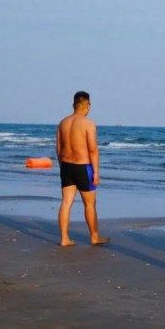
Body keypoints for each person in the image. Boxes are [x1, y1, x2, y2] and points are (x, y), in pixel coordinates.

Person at [56, 91, 109, 247]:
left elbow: (59, 148)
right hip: (83, 167)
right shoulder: (88, 124)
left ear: (74, 105)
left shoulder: (63, 123)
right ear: (88, 105)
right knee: (90, 204)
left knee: (66, 203)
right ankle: (94, 236)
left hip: (66, 166)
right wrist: (96, 173)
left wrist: (62, 167)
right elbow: (93, 149)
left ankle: (64, 238)